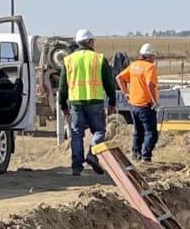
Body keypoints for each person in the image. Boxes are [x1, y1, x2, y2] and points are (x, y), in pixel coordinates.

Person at [63, 27, 111, 174]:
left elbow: (62, 86)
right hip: (95, 101)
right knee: (99, 131)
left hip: (76, 102)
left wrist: (62, 105)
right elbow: (109, 82)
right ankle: (92, 153)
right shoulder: (99, 58)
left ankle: (76, 167)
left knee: (76, 133)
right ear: (89, 42)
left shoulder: (68, 60)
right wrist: (113, 102)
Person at [117, 42, 162, 162]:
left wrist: (126, 93)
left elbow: (119, 78)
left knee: (138, 131)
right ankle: (145, 157)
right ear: (149, 56)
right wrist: (154, 101)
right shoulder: (150, 67)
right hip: (145, 105)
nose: (154, 59)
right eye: (153, 56)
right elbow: (150, 84)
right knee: (151, 133)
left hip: (134, 105)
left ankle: (135, 155)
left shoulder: (134, 65)